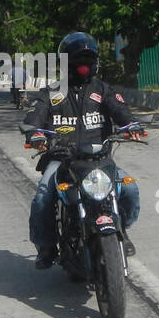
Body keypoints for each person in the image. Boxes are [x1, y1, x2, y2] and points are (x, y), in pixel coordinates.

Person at [24, 32, 143, 269]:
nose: (84, 66)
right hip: (62, 159)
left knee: (129, 188)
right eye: (78, 61)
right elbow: (34, 117)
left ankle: (122, 229)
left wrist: (131, 125)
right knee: (42, 197)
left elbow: (120, 110)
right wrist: (35, 133)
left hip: (98, 158)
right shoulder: (51, 92)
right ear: (66, 64)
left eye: (88, 60)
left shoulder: (103, 89)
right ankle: (46, 246)